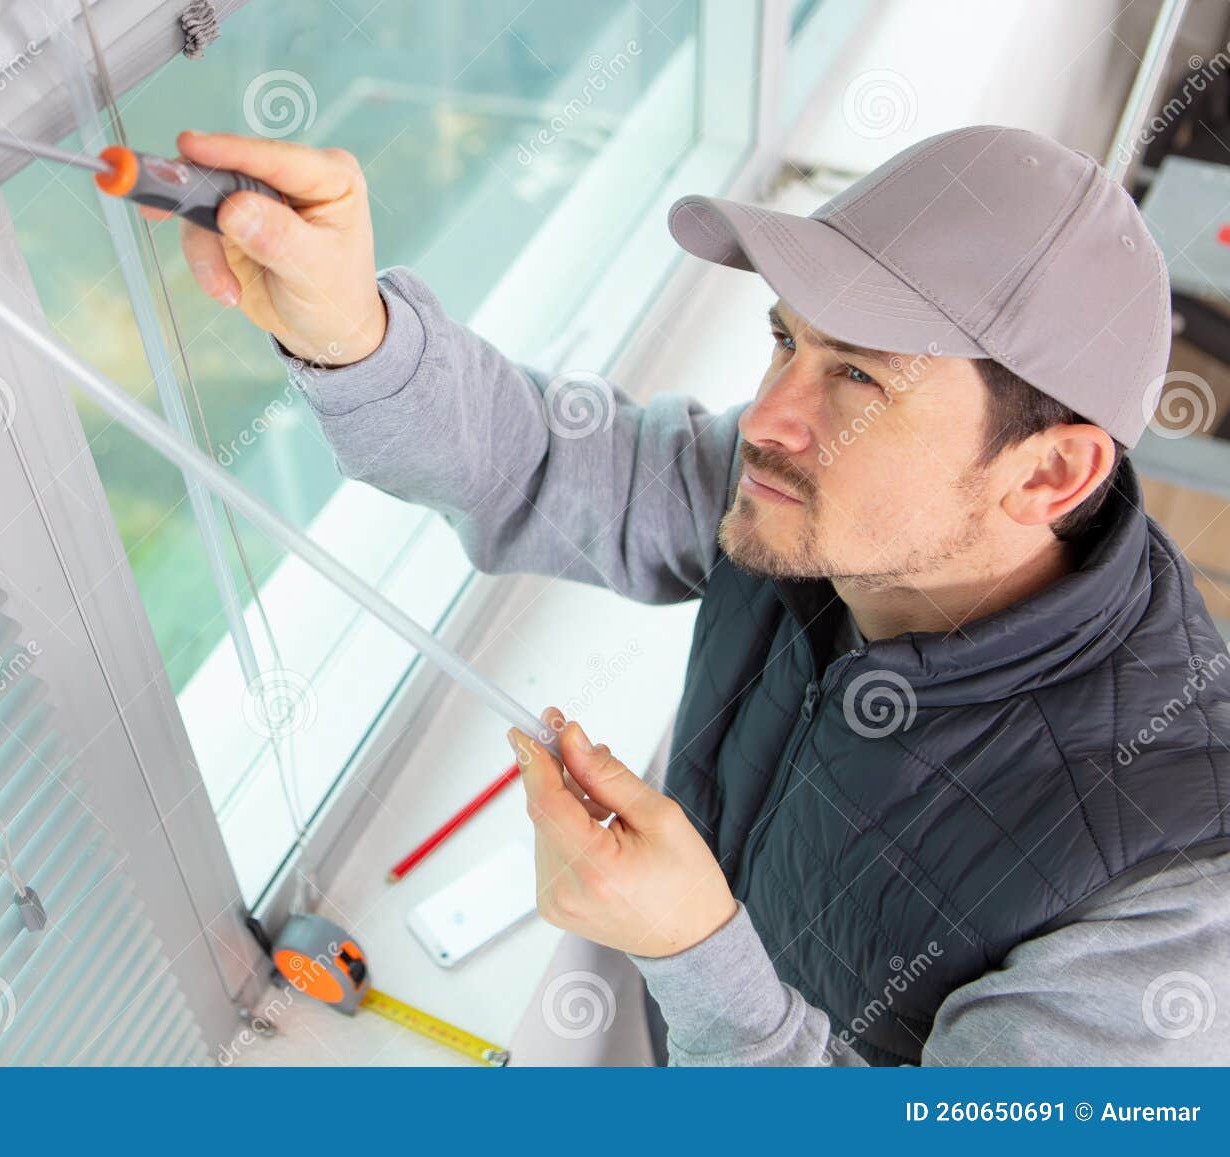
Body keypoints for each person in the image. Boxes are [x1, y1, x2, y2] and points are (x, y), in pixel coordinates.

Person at [148, 125, 1230, 1065]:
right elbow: (551, 467)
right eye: (784, 340)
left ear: (1046, 475)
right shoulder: (811, 506)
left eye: (858, 376)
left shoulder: (1175, 898)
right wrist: (349, 332)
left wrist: (693, 954)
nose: (767, 416)